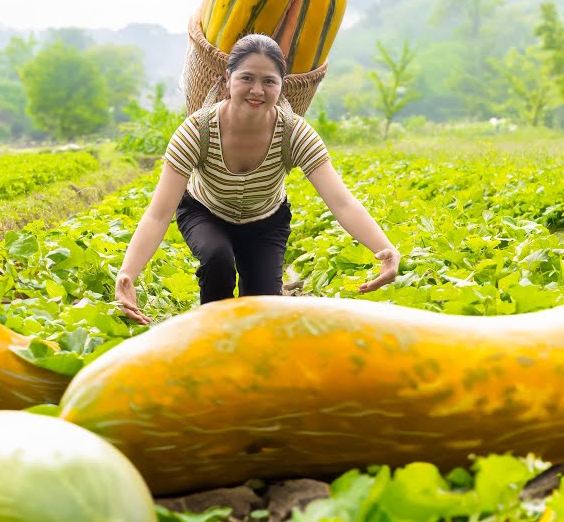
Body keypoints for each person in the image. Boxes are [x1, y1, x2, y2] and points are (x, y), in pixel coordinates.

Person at [114, 33, 399, 325]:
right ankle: (214, 332)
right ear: (228, 79)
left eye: (269, 81)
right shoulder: (197, 131)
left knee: (262, 310)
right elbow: (158, 215)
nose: (257, 90)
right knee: (217, 259)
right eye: (247, 78)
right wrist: (128, 274)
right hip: (205, 213)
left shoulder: (293, 133)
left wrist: (384, 248)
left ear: (281, 86)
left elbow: (342, 203)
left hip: (265, 222)